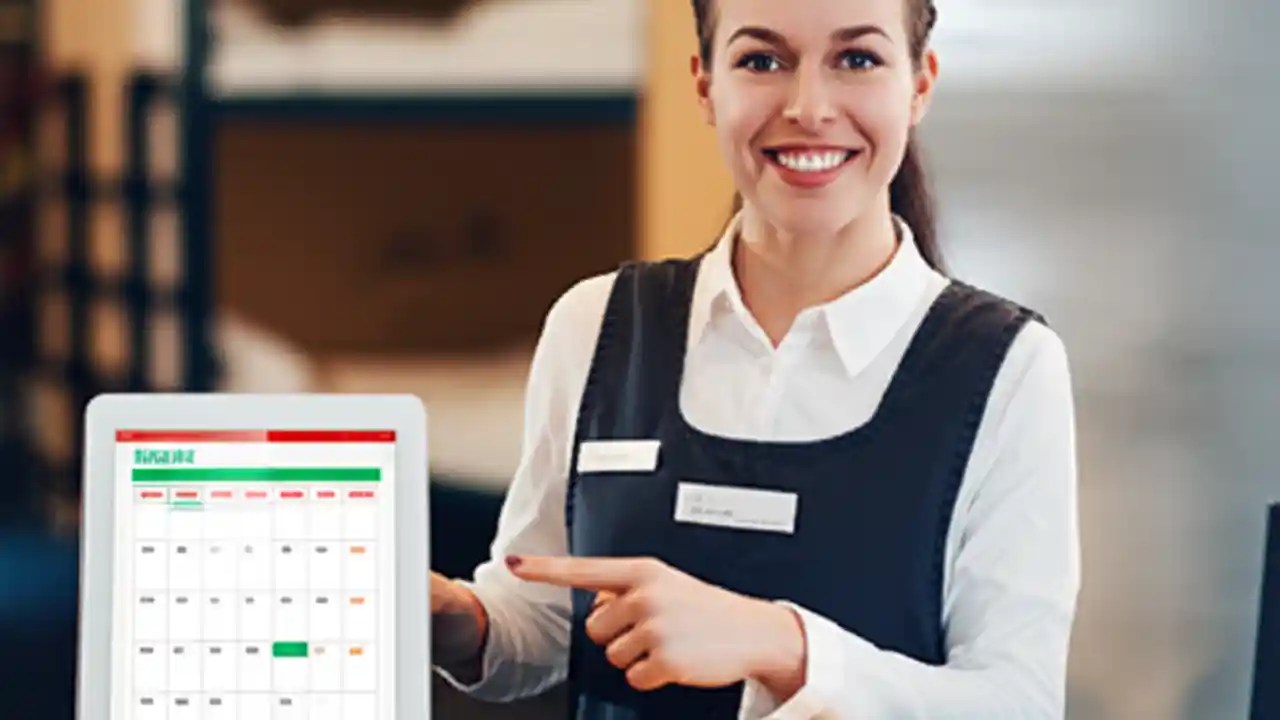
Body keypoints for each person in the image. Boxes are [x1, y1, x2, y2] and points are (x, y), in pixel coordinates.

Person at [429, 0, 1080, 717]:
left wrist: (781, 646)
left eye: (856, 59)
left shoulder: (1007, 368)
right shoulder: (596, 325)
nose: (808, 108)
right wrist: (455, 619)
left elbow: (1016, 702)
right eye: (761, 60)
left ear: (919, 84)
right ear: (706, 86)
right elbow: (547, 617)